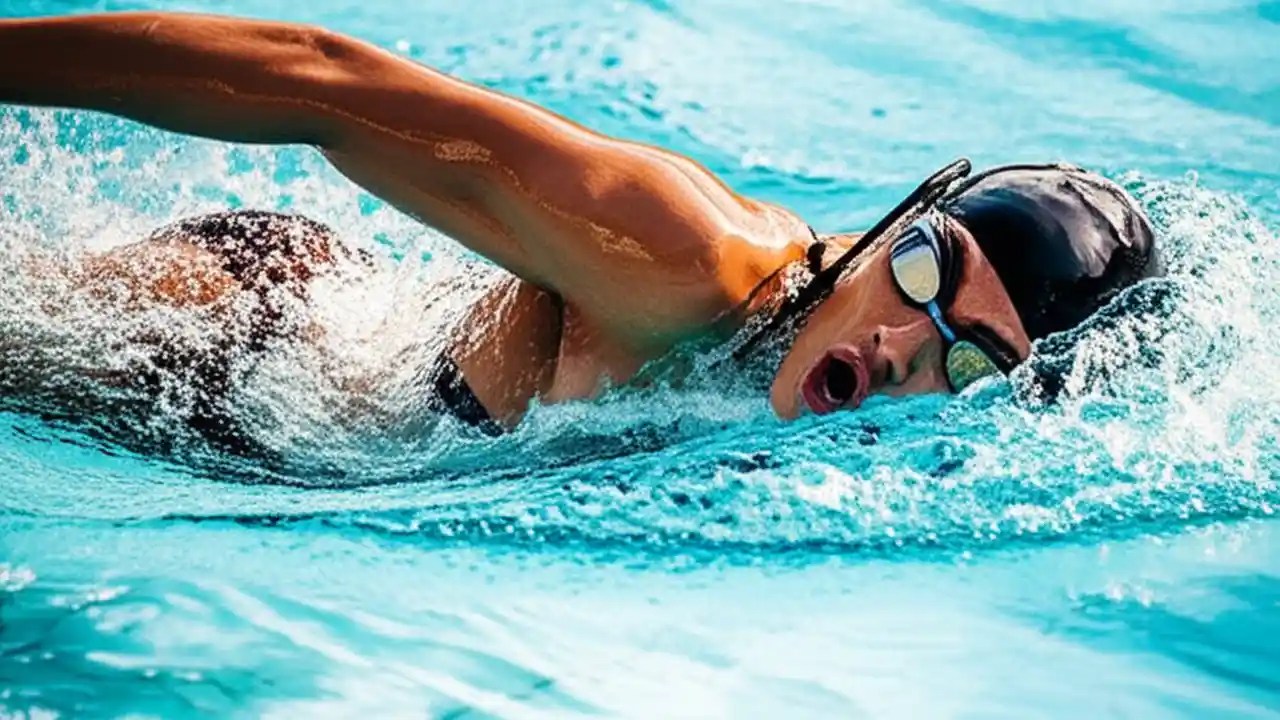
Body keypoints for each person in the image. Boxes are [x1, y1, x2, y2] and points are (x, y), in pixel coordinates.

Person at [0, 12, 1162, 452]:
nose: (903, 347)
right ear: (897, 225)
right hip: (225, 342)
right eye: (923, 272)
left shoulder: (864, 437)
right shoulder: (679, 257)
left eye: (966, 359)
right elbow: (320, 80)